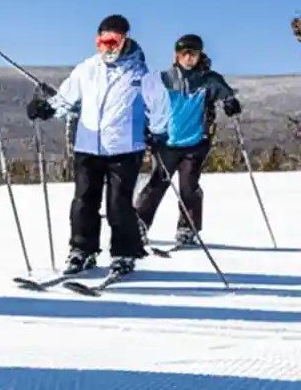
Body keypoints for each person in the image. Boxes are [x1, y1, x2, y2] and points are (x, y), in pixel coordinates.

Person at [27, 14, 170, 275]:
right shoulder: (86, 69)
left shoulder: (141, 74)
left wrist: (158, 134)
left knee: (118, 204)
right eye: (102, 42)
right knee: (83, 202)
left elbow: (158, 109)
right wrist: (47, 109)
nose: (108, 48)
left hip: (125, 149)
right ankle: (82, 250)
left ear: (124, 40)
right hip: (88, 147)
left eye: (113, 42)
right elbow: (66, 99)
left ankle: (125, 253)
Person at [134, 34, 240, 245]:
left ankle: (187, 227)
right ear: (177, 55)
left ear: (200, 55)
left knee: (189, 185)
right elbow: (147, 104)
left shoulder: (209, 79)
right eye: (185, 53)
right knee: (157, 183)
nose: (189, 58)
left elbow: (226, 95)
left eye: (194, 53)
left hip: (196, 142)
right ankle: (139, 225)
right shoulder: (162, 78)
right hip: (166, 142)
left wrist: (230, 103)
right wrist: (146, 130)